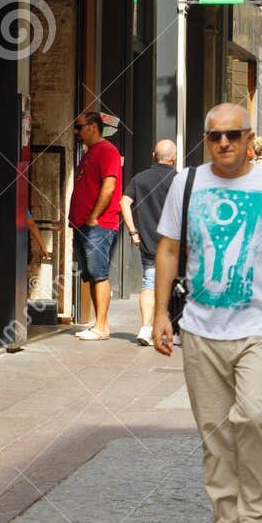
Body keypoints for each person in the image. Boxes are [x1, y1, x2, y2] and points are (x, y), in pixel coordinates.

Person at [152, 103, 262, 523]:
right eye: (215, 136)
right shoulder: (187, 183)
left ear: (249, 138)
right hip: (200, 329)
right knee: (215, 431)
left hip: (259, 328)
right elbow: (167, 248)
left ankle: (256, 521)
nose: (223, 143)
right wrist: (160, 313)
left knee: (255, 418)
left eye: (233, 135)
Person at [119, 139, 179, 346]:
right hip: (175, 244)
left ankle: (145, 328)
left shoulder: (140, 179)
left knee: (149, 283)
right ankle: (173, 330)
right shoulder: (179, 181)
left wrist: (133, 232)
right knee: (175, 285)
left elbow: (124, 202)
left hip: (149, 241)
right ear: (174, 158)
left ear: (154, 155)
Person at [69, 109, 122, 341]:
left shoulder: (107, 151)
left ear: (92, 127)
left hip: (98, 225)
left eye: (79, 127)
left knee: (99, 273)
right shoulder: (90, 153)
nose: (77, 132)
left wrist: (93, 216)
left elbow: (109, 187)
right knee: (91, 274)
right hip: (84, 224)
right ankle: (100, 325)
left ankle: (100, 327)